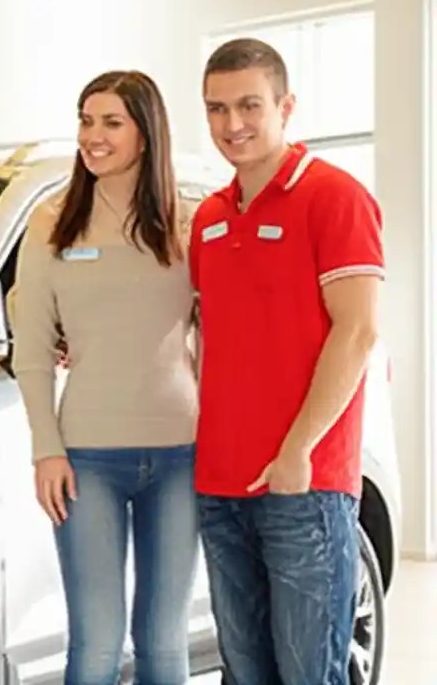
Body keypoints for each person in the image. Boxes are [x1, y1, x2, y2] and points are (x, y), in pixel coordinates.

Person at [190, 37, 383, 684]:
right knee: (244, 674)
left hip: (303, 484)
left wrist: (298, 449)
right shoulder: (210, 219)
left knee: (309, 675)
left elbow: (357, 332)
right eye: (217, 109)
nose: (232, 124)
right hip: (219, 485)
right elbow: (197, 333)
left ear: (286, 106)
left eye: (249, 105)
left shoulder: (334, 197)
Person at [8, 70, 200, 684]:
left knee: (163, 641)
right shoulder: (52, 223)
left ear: (146, 133)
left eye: (111, 122)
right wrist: (46, 451)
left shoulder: (188, 223)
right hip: (86, 457)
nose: (93, 136)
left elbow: (221, 338)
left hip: (183, 453)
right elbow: (33, 349)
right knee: (95, 641)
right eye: (86, 120)